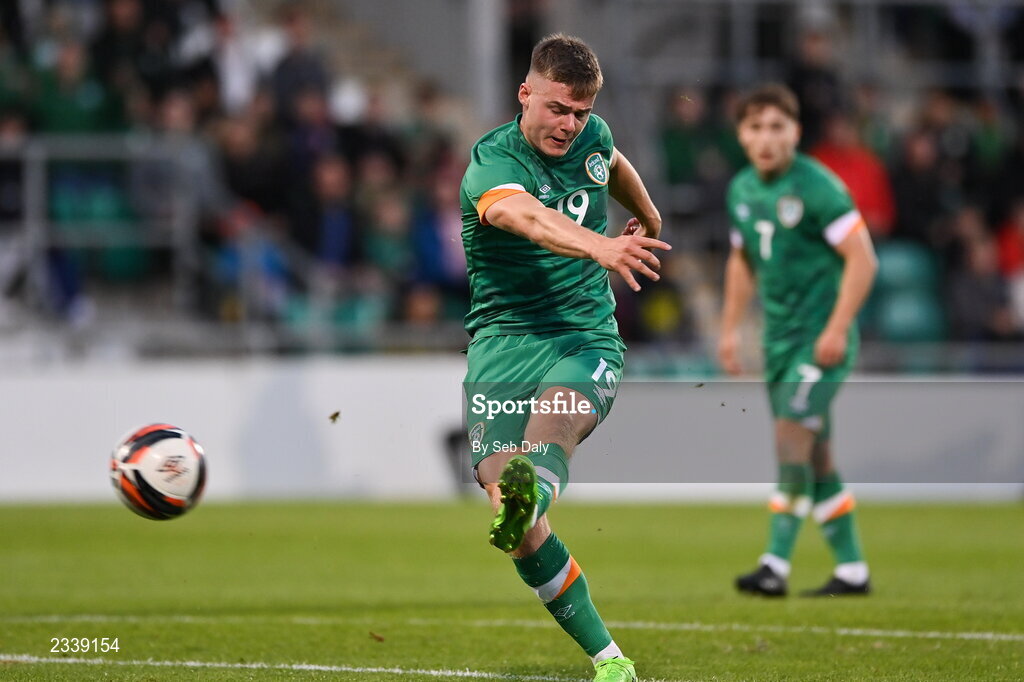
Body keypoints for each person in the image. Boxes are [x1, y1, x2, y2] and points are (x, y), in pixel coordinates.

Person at [460, 33, 668, 682]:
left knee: (555, 423)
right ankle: (605, 652)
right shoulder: (491, 166)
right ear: (526, 94)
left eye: (580, 112)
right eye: (557, 109)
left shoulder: (591, 137)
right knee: (513, 518)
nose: (569, 125)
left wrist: (651, 219)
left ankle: (611, 662)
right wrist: (599, 247)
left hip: (584, 338)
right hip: (504, 346)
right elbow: (527, 219)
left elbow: (613, 160)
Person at [718, 84, 878, 597]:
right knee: (817, 456)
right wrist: (729, 330)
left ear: (796, 133)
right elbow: (741, 262)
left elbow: (863, 258)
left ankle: (775, 566)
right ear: (742, 135)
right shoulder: (742, 189)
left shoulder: (819, 188)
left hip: (820, 341)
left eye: (777, 127)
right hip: (780, 342)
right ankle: (852, 571)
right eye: (756, 127)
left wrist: (835, 329)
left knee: (790, 436)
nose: (767, 138)